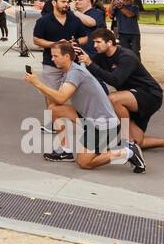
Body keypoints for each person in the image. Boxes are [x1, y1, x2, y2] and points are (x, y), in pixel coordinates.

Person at [22, 41, 146, 172]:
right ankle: (66, 151)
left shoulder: (76, 73)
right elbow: (57, 100)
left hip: (105, 126)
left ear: (67, 57)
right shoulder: (68, 72)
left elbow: (61, 97)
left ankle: (128, 152)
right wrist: (37, 84)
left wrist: (38, 84)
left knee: (84, 162)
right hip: (89, 119)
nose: (52, 59)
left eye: (55, 56)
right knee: (54, 109)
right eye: (52, 56)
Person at [81, 28, 164, 156]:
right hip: (130, 98)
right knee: (137, 141)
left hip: (149, 94)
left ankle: (126, 143)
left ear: (109, 42)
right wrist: (75, 51)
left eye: (98, 42)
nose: (94, 45)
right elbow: (90, 63)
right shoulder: (102, 56)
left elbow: (115, 80)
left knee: (112, 99)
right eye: (94, 42)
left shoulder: (127, 56)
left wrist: (90, 64)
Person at [31, 0, 87, 89]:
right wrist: (56, 44)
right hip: (51, 64)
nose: (66, 4)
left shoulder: (75, 19)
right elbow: (36, 40)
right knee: (51, 94)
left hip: (72, 64)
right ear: (54, 3)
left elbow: (85, 38)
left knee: (78, 95)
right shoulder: (43, 21)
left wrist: (75, 42)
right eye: (63, 2)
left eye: (67, 2)